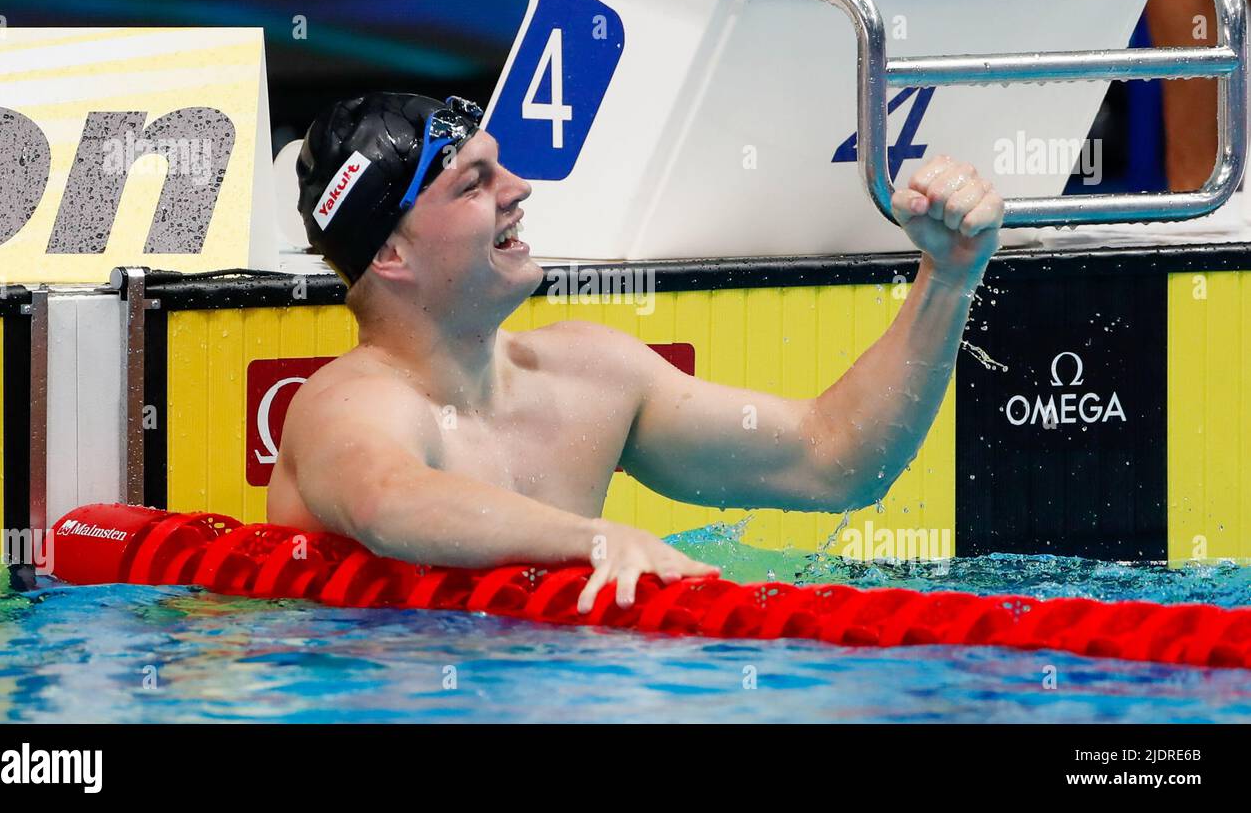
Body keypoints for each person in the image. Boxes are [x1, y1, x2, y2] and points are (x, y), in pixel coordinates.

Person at [267, 92, 1004, 614]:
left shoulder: (588, 375)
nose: (519, 189)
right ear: (391, 252)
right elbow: (388, 502)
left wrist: (949, 275)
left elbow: (835, 458)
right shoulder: (347, 405)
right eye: (473, 184)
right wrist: (594, 539)